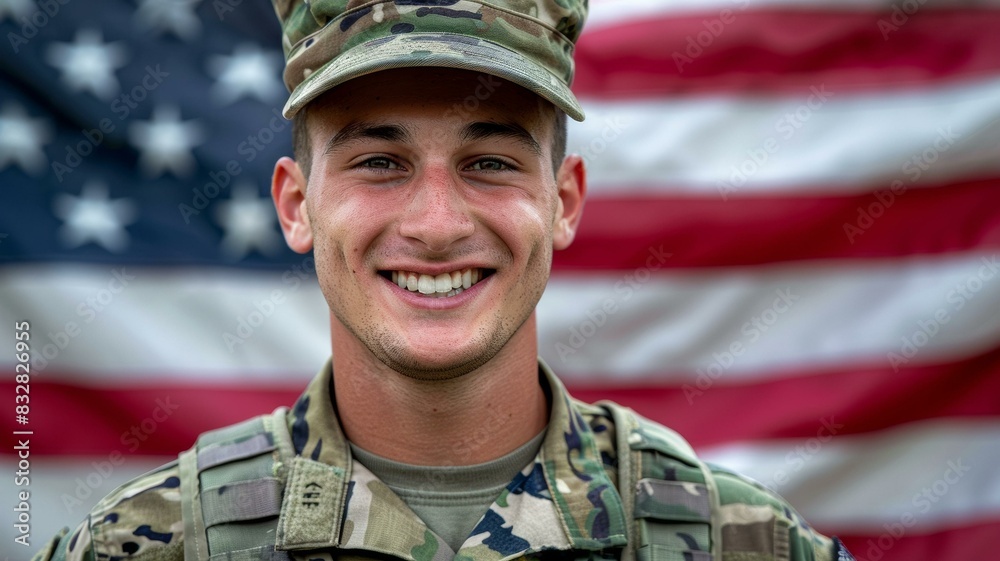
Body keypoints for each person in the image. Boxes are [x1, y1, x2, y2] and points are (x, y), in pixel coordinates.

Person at [33, 2, 855, 560]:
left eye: (489, 162)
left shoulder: (741, 542)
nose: (435, 223)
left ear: (562, 202)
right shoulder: (146, 544)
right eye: (379, 162)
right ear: (296, 204)